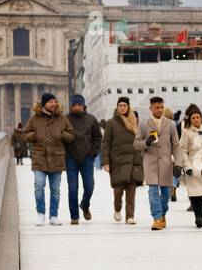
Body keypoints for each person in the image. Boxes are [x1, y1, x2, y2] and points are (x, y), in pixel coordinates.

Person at [26, 91, 75, 226]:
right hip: (39, 158)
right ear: (44, 104)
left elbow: (71, 135)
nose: (53, 104)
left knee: (55, 189)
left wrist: (62, 134)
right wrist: (33, 136)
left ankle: (53, 215)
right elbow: (25, 134)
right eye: (50, 102)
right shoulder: (34, 119)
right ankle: (40, 213)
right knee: (39, 186)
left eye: (55, 102)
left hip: (56, 158)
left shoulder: (62, 119)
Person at [135, 95, 179, 229]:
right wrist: (146, 142)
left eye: (161, 107)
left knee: (165, 194)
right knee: (153, 191)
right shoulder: (143, 124)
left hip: (166, 163)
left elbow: (176, 145)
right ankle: (157, 218)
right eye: (157, 108)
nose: (159, 110)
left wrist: (178, 163)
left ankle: (162, 214)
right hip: (150, 162)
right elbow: (136, 144)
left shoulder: (171, 124)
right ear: (151, 108)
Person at [101, 96, 143, 224]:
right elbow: (106, 143)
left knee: (131, 191)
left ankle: (130, 216)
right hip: (117, 161)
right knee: (118, 191)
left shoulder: (135, 122)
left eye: (125, 105)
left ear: (128, 107)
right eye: (120, 105)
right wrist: (106, 162)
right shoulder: (111, 123)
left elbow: (141, 140)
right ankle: (117, 208)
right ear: (117, 107)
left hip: (133, 160)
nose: (123, 107)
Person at [64, 94, 103, 225]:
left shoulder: (91, 119)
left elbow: (98, 137)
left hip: (87, 158)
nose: (77, 107)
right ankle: (74, 216)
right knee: (73, 188)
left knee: (90, 186)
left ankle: (84, 205)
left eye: (79, 105)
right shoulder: (65, 119)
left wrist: (94, 152)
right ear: (71, 106)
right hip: (71, 158)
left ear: (83, 105)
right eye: (74, 105)